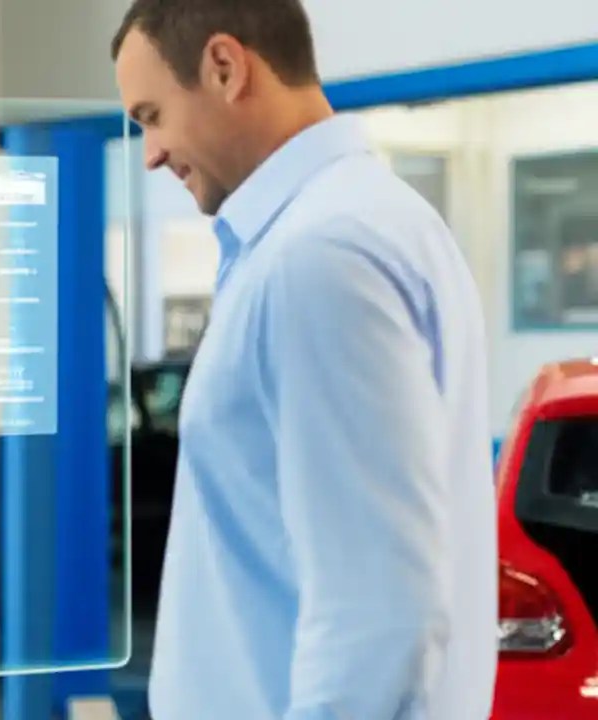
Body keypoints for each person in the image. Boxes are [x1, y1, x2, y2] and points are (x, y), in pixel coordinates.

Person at [110, 1, 496, 718]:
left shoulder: (320, 256)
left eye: (152, 116)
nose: (151, 153)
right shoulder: (370, 223)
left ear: (225, 67)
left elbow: (378, 614)